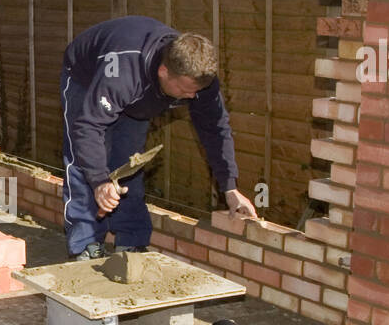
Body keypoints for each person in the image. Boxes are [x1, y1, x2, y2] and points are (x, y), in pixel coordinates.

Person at [61, 16, 258, 259]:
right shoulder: (123, 71)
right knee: (85, 163)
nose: (190, 97)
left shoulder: (200, 79)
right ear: (164, 71)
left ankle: (130, 241)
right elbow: (88, 128)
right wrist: (100, 181)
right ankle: (86, 242)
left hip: (139, 96)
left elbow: (216, 129)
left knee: (128, 165)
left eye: (195, 91)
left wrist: (230, 187)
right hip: (86, 76)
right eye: (185, 90)